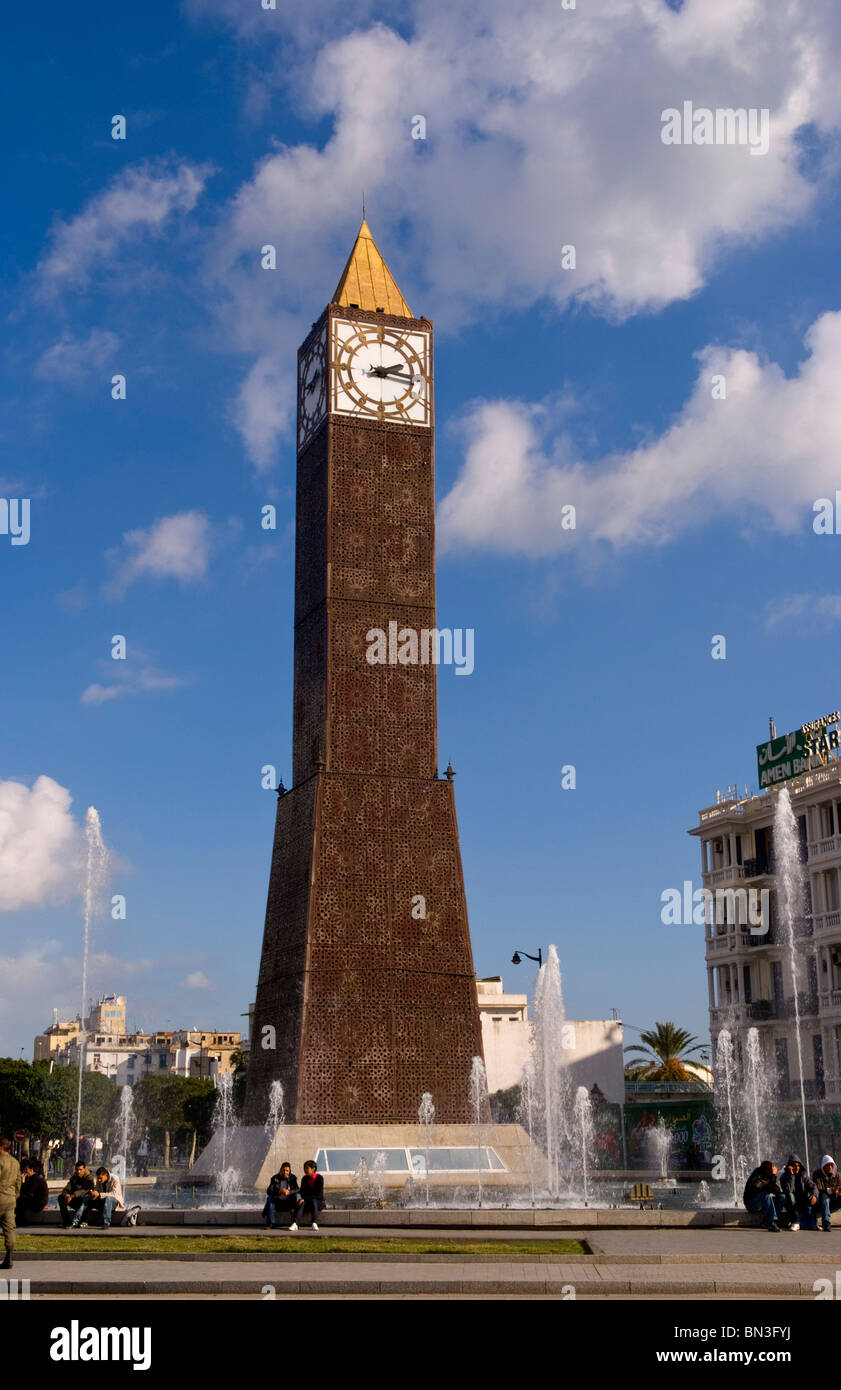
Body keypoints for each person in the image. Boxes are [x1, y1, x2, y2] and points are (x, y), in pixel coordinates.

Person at [780, 1154, 818, 1230]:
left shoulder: (803, 1175)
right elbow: (788, 1190)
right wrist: (791, 1176)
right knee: (790, 1195)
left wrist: (814, 1195)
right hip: (790, 1203)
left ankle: (812, 1223)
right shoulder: (784, 1177)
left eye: (798, 1165)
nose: (797, 1167)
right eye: (794, 1165)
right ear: (789, 1166)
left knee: (810, 1196)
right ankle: (795, 1222)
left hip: (802, 1201)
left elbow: (813, 1186)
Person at [743, 1160, 784, 1231]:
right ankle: (771, 1222)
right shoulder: (756, 1177)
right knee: (765, 1195)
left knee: (782, 1197)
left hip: (761, 1203)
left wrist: (782, 1193)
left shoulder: (767, 1177)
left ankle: (766, 1221)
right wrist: (774, 1175)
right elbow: (767, 1189)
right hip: (751, 1204)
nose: (770, 1173)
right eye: (770, 1171)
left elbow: (775, 1190)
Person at [0, 1137, 21, 1270]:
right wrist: (15, 1196)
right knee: (9, 1229)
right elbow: (18, 1182)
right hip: (10, 1199)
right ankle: (9, 1257)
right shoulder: (15, 1162)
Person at [289, 1160, 324, 1232]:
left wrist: (305, 1199)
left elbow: (318, 1195)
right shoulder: (304, 1179)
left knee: (313, 1200)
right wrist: (301, 1199)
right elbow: (302, 1192)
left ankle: (314, 1222)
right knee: (301, 1202)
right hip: (307, 1202)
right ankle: (295, 1224)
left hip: (318, 1203)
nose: (305, 1170)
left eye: (307, 1168)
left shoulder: (319, 1178)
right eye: (304, 1168)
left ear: (313, 1168)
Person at [58, 1162, 95, 1228]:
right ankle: (67, 1222)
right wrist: (66, 1195)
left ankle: (84, 1220)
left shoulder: (89, 1178)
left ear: (84, 1169)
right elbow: (67, 1188)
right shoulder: (74, 1177)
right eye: (77, 1169)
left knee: (86, 1197)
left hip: (86, 1203)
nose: (78, 1171)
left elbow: (84, 1190)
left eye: (80, 1170)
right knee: (61, 1197)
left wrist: (71, 1196)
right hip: (75, 1200)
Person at [811, 1154, 841, 1232]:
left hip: (835, 1199)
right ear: (823, 1166)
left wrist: (838, 1190)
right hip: (821, 1201)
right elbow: (818, 1188)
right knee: (825, 1197)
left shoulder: (837, 1175)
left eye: (831, 1165)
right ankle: (826, 1223)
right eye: (827, 1165)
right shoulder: (817, 1174)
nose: (830, 1167)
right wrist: (831, 1190)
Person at [264, 1162, 298, 1228]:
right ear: (280, 1170)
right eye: (283, 1170)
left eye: (287, 1171)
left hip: (289, 1203)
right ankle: (271, 1222)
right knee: (270, 1198)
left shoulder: (292, 1178)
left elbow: (297, 1190)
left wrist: (289, 1192)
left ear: (289, 1171)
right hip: (278, 1203)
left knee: (297, 1197)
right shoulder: (275, 1178)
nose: (285, 1172)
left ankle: (295, 1223)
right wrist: (279, 1191)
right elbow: (269, 1191)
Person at [16, 1159, 49, 1225]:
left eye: (26, 1169)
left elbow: (26, 1191)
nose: (24, 1171)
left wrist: (23, 1181)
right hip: (38, 1202)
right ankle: (20, 1220)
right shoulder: (34, 1178)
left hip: (38, 1204)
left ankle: (22, 1221)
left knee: (20, 1199)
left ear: (31, 1170)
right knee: (21, 1199)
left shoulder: (35, 1179)